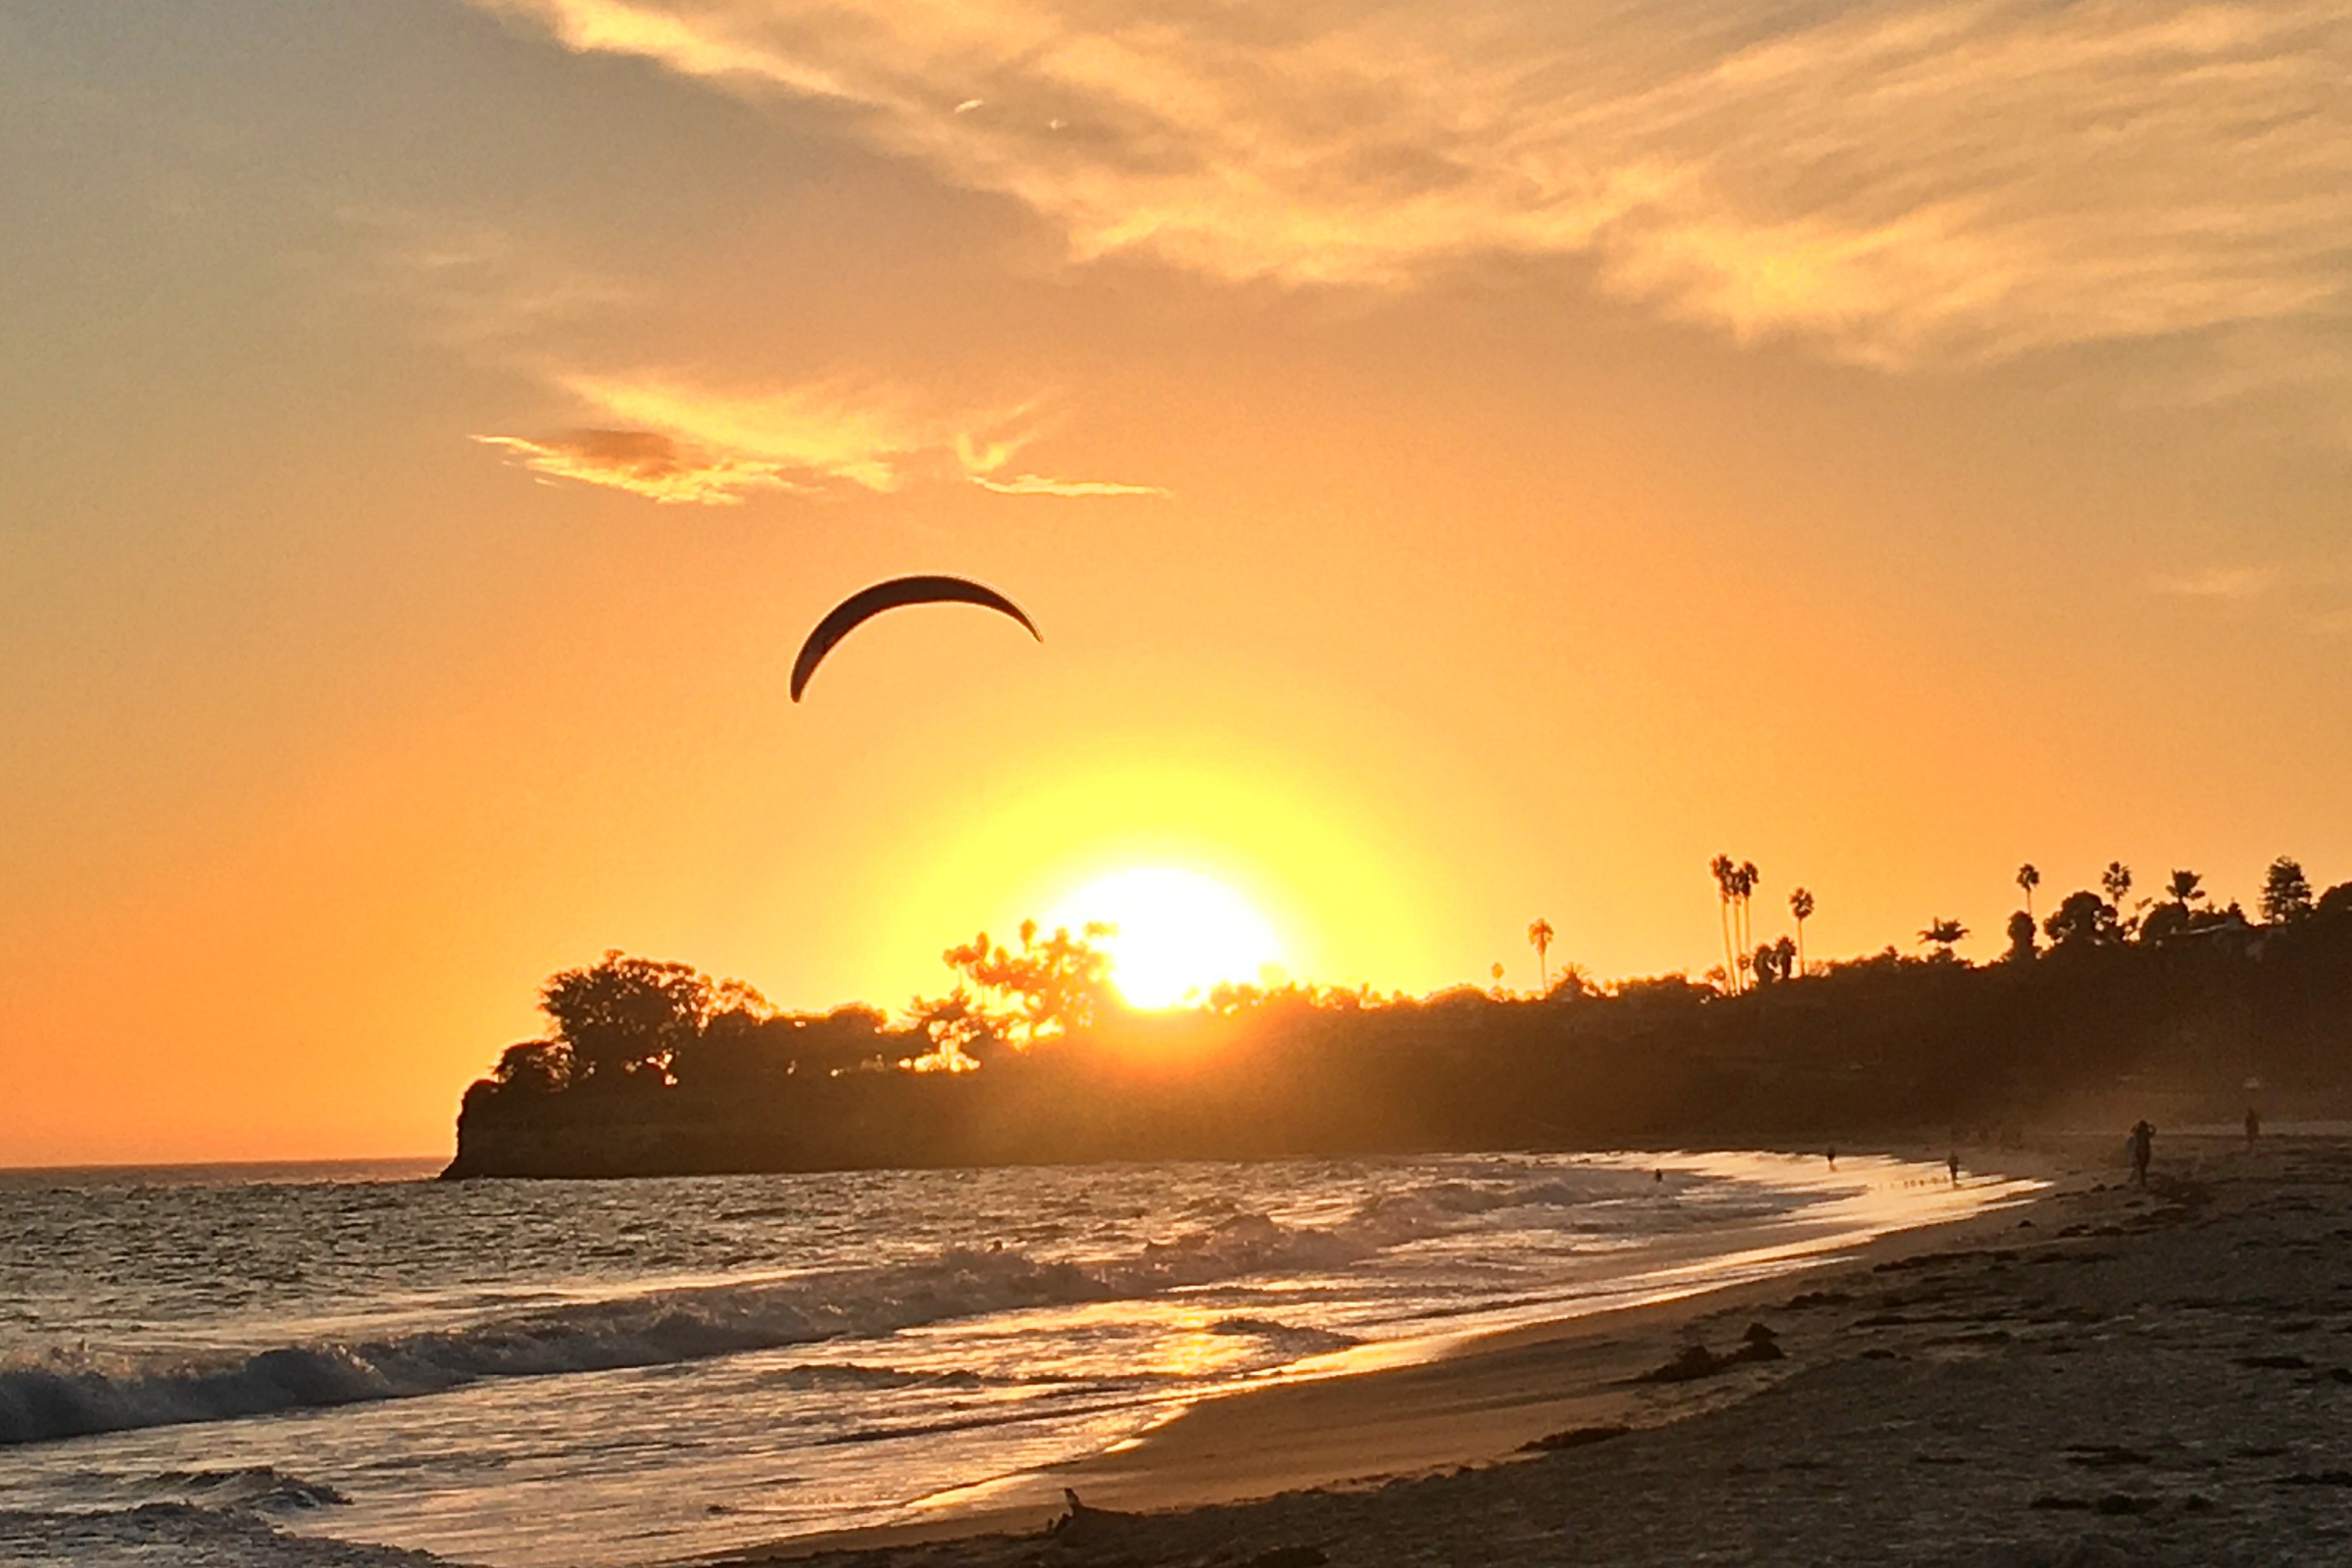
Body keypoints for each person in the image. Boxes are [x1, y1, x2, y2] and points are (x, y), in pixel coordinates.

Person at [2129, 1119, 2155, 1186]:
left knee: (2141, 1167)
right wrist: (2152, 1127)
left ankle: (2140, 1181)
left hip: (2140, 1151)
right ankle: (2141, 1181)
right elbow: (2152, 1134)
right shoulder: (2143, 1133)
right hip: (2143, 1151)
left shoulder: (2138, 1132)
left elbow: (2132, 1131)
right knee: (2142, 1167)